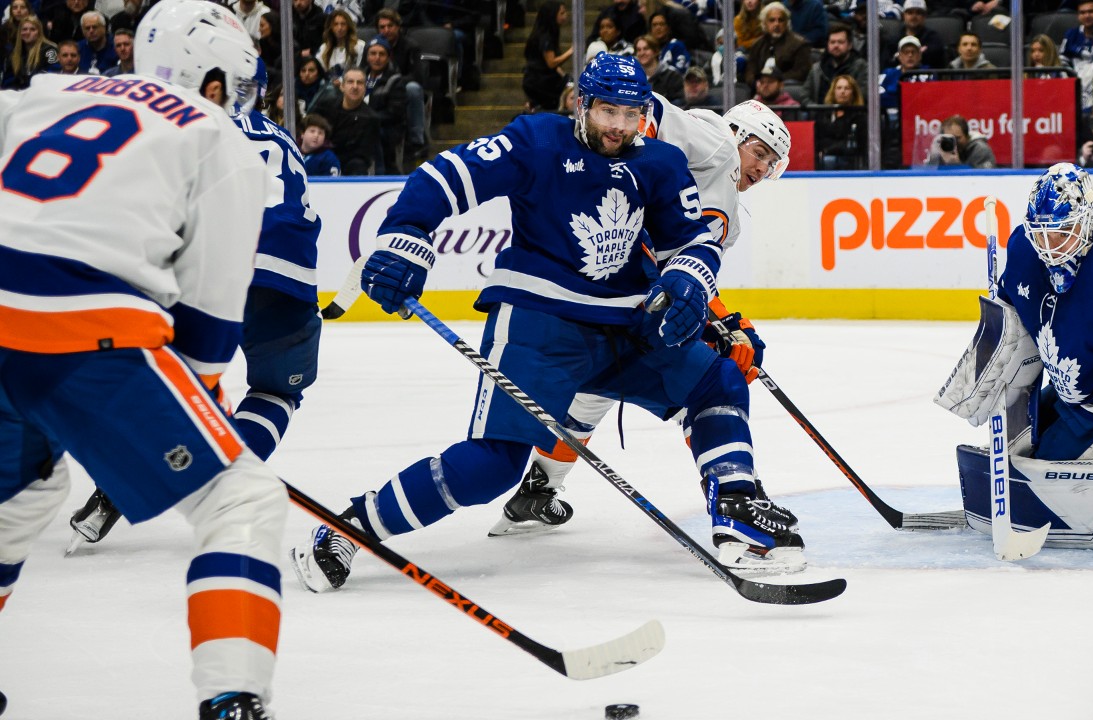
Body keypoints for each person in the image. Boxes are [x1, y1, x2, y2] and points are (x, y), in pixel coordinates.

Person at [290, 54, 805, 593]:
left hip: (625, 330)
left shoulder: (660, 163)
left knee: (717, 378)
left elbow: (690, 238)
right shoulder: (536, 140)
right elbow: (446, 176)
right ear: (582, 105)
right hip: (540, 325)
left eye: (630, 115)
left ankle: (736, 509)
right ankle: (347, 526)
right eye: (608, 111)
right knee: (491, 466)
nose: (619, 128)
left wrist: (692, 280)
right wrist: (406, 235)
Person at [0, 2, 285, 718]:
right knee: (239, 498)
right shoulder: (218, 136)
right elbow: (210, 323)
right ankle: (233, 699)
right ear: (213, 75)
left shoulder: (45, 90)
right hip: (78, 325)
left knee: (19, 499)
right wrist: (201, 401)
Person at [487, 94, 794, 545]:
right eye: (761, 153)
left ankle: (539, 488)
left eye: (771, 164)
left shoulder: (726, 203)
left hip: (625, 296)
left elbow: (688, 262)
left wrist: (724, 318)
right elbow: (650, 107)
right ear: (738, 135)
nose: (763, 169)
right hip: (619, 287)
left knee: (594, 392)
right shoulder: (716, 143)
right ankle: (735, 494)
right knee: (706, 387)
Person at [69, 58, 325, 569]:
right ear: (265, 94)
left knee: (169, 385)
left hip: (212, 262)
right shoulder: (283, 139)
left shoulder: (191, 123)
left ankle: (117, 490)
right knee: (276, 391)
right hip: (287, 276)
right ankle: (231, 494)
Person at [935, 163, 1093, 555]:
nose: (1050, 245)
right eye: (1042, 233)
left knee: (1045, 483)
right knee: (1022, 456)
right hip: (1074, 396)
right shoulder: (1022, 248)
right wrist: (996, 357)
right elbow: (1014, 320)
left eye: (1062, 231)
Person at [370, 10, 426, 159]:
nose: (386, 30)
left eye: (390, 26)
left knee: (413, 89)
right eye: (382, 27)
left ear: (398, 27)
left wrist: (394, 81)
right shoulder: (374, 46)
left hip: (401, 86)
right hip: (379, 85)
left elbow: (418, 76)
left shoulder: (411, 46)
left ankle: (417, 141)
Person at [314, 66, 381, 174]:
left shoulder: (371, 118)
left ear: (365, 88)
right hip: (323, 156)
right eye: (350, 82)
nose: (355, 86)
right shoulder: (325, 106)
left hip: (349, 165)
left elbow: (364, 155)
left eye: (359, 83)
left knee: (357, 165)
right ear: (342, 86)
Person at [363, 36, 409, 174]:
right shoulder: (359, 77)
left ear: (388, 57)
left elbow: (394, 113)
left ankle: (381, 173)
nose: (377, 58)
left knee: (373, 133)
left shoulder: (395, 80)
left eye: (381, 54)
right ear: (367, 56)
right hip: (362, 123)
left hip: (387, 129)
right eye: (373, 53)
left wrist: (369, 119)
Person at [523, 0, 573, 111]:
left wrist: (565, 77)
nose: (565, 16)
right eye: (561, 13)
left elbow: (555, 67)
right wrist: (570, 51)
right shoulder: (545, 37)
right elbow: (551, 63)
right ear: (552, 15)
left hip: (540, 78)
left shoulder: (549, 33)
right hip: (539, 82)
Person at [745, 2, 811, 86]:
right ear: (764, 23)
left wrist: (774, 82)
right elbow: (750, 70)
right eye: (772, 20)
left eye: (781, 20)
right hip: (760, 89)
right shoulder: (757, 44)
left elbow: (801, 73)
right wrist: (756, 82)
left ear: (786, 23)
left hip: (787, 89)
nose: (776, 24)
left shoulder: (799, 44)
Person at [801, 23, 866, 105]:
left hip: (851, 115)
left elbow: (862, 96)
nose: (836, 45)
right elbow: (804, 96)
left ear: (849, 45)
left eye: (840, 42)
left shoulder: (860, 67)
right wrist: (817, 110)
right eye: (832, 42)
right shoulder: (817, 68)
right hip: (821, 114)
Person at [814, 73, 864, 169]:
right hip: (824, 156)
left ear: (853, 93)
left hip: (848, 159)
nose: (842, 91)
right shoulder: (824, 114)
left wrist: (828, 150)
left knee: (830, 160)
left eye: (847, 88)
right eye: (839, 88)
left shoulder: (859, 116)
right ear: (833, 91)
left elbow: (853, 143)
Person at [2, 16, 57, 88]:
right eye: (24, 29)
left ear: (39, 32)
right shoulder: (14, 54)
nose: (27, 32)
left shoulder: (50, 50)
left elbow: (53, 74)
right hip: (20, 94)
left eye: (32, 29)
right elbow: (8, 80)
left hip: (41, 91)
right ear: (20, 33)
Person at [924, 113, 995, 168]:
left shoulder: (980, 150)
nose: (954, 143)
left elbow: (984, 180)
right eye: (949, 139)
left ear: (967, 136)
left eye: (957, 138)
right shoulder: (941, 148)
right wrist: (933, 157)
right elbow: (926, 178)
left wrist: (956, 165)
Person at [891, 0, 946, 70]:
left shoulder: (934, 39)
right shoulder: (894, 40)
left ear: (924, 16)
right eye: (910, 13)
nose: (914, 16)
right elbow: (887, 62)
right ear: (903, 15)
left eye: (918, 13)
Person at [634, 33, 683, 104]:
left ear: (656, 51)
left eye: (646, 49)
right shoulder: (633, 78)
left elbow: (680, 102)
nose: (642, 53)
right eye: (638, 50)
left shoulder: (672, 76)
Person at [317, 8, 363, 79]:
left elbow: (361, 70)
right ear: (331, 27)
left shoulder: (359, 46)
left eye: (343, 24)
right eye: (335, 24)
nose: (340, 28)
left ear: (348, 26)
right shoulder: (324, 48)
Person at [649, 7, 689, 76]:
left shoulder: (676, 46)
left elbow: (679, 73)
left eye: (661, 24)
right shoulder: (647, 48)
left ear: (668, 28)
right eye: (654, 25)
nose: (658, 28)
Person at [1060, 0, 1093, 65]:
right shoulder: (1071, 34)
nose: (1087, 16)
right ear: (1078, 15)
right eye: (1082, 13)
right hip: (1073, 73)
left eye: (1091, 11)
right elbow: (1062, 57)